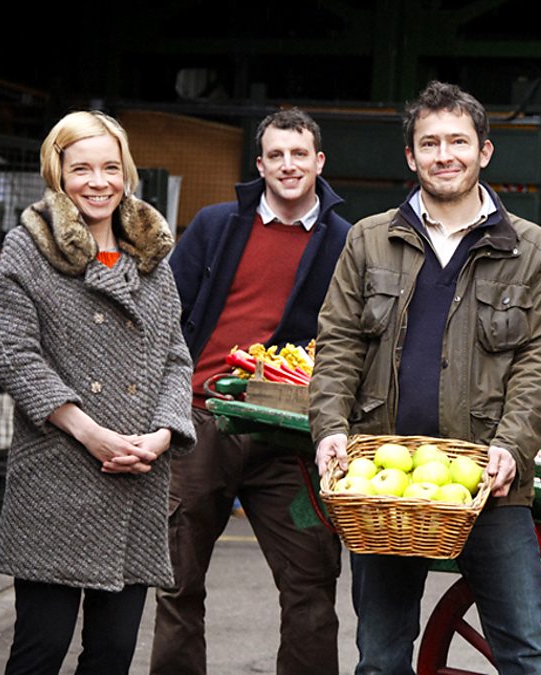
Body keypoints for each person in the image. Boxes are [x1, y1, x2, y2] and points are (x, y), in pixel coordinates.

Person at [310, 81, 541, 674]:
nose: (444, 155)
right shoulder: (369, 239)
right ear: (411, 156)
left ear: (485, 151)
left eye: (458, 141)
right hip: (384, 485)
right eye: (429, 143)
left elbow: (540, 361)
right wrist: (330, 429)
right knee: (380, 657)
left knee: (530, 650)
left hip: (489, 480)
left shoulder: (531, 250)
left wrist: (512, 448)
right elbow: (339, 345)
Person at [0, 110, 196, 674]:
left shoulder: (151, 256)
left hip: (137, 474)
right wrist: (90, 432)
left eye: (110, 167)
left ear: (126, 172)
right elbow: (14, 354)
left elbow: (176, 357)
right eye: (81, 168)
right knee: (41, 649)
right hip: (57, 474)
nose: (98, 182)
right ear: (57, 173)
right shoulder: (29, 247)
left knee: (113, 653)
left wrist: (161, 435)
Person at [151, 108, 351, 674]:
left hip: (287, 433)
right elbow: (165, 315)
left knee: (311, 582)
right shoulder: (216, 225)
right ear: (259, 164)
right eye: (276, 155)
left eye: (299, 154)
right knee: (177, 580)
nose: (288, 165)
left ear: (319, 162)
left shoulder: (345, 241)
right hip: (201, 421)